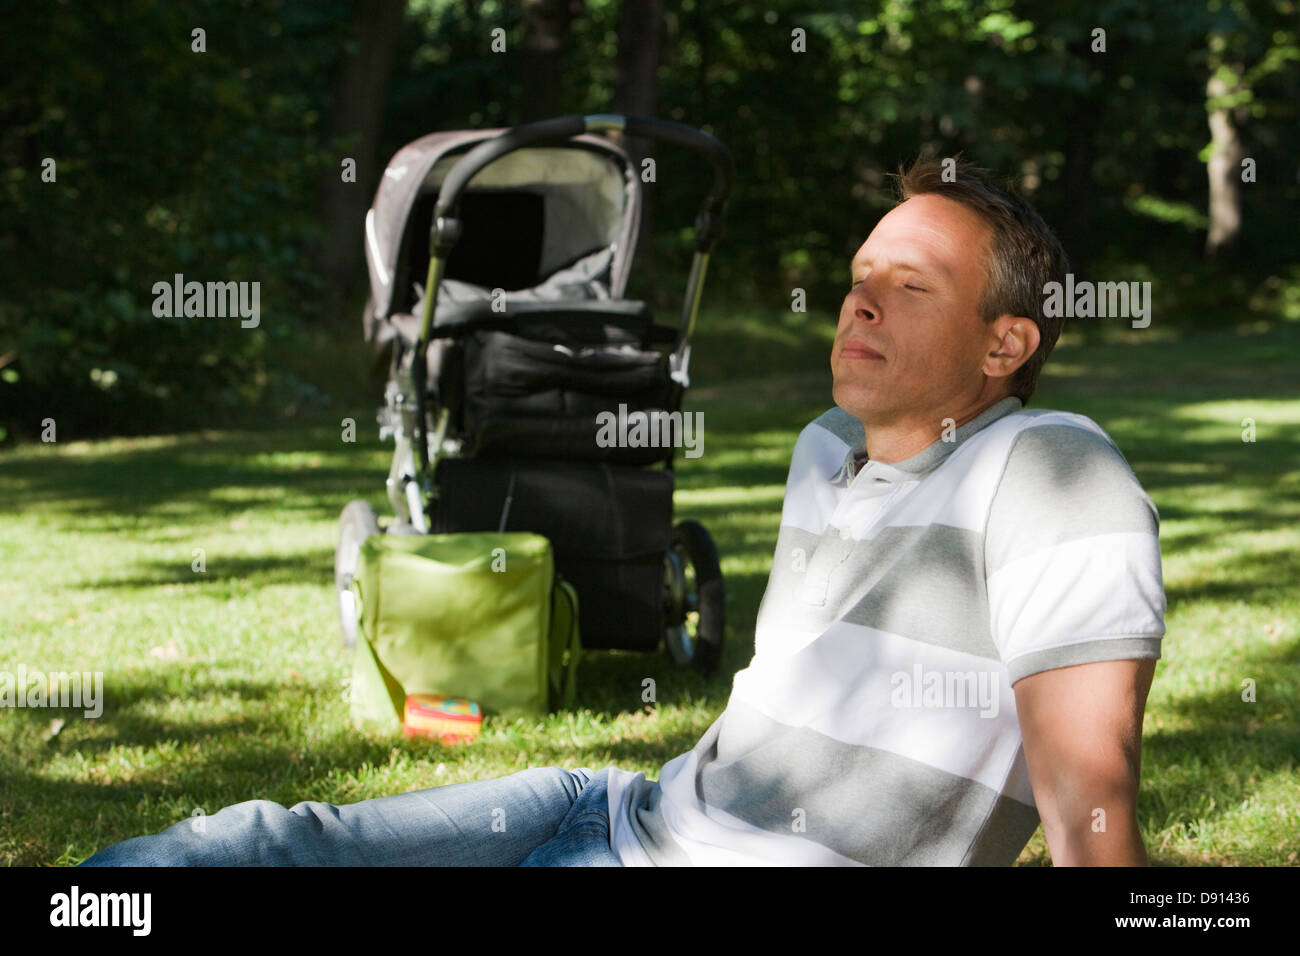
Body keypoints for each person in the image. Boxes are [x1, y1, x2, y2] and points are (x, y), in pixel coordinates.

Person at [82, 155, 1164, 867]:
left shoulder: (1052, 465)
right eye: (856, 276)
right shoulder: (822, 449)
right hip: (612, 806)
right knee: (271, 842)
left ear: (1003, 342)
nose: (858, 300)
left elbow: (1090, 805)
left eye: (910, 284)